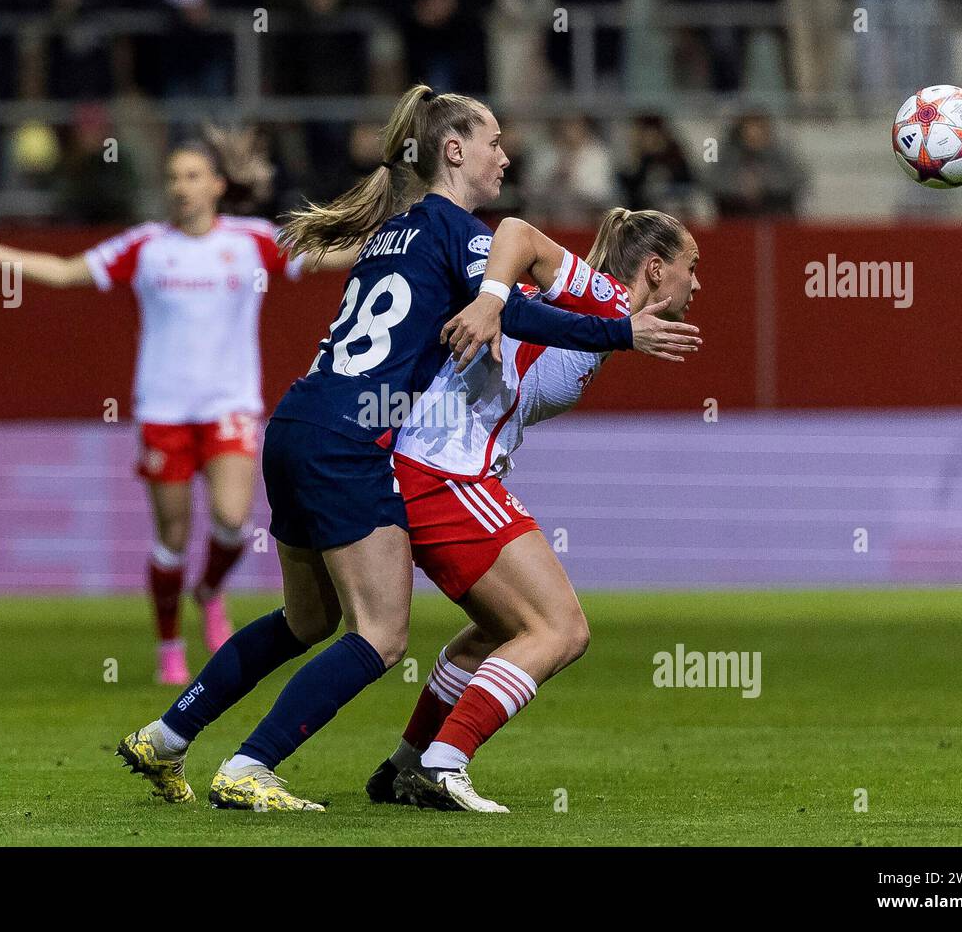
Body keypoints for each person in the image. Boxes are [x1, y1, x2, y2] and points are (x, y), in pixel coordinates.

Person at [115, 84, 701, 812]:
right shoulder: (463, 234)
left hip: (297, 420)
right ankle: (252, 766)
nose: (505, 155)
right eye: (493, 142)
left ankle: (169, 733)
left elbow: (502, 300)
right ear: (454, 150)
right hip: (356, 440)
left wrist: (502, 305)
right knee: (385, 635)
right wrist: (609, 327)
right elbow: (512, 274)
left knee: (307, 621)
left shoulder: (398, 230)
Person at [0, 141, 353, 684]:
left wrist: (398, 232)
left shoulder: (251, 242)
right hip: (164, 410)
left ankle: (208, 591)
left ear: (217, 186)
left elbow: (329, 255)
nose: (181, 186)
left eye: (193, 175)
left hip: (229, 405)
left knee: (232, 520)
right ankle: (169, 647)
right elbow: (64, 272)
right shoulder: (148, 246)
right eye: (174, 176)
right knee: (171, 536)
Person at [369, 208, 700, 811]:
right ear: (653, 269)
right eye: (690, 267)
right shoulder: (600, 295)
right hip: (446, 471)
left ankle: (408, 762)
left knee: (502, 630)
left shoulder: (601, 319)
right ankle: (445, 763)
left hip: (442, 467)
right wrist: (493, 298)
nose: (697, 284)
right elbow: (516, 232)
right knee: (562, 630)